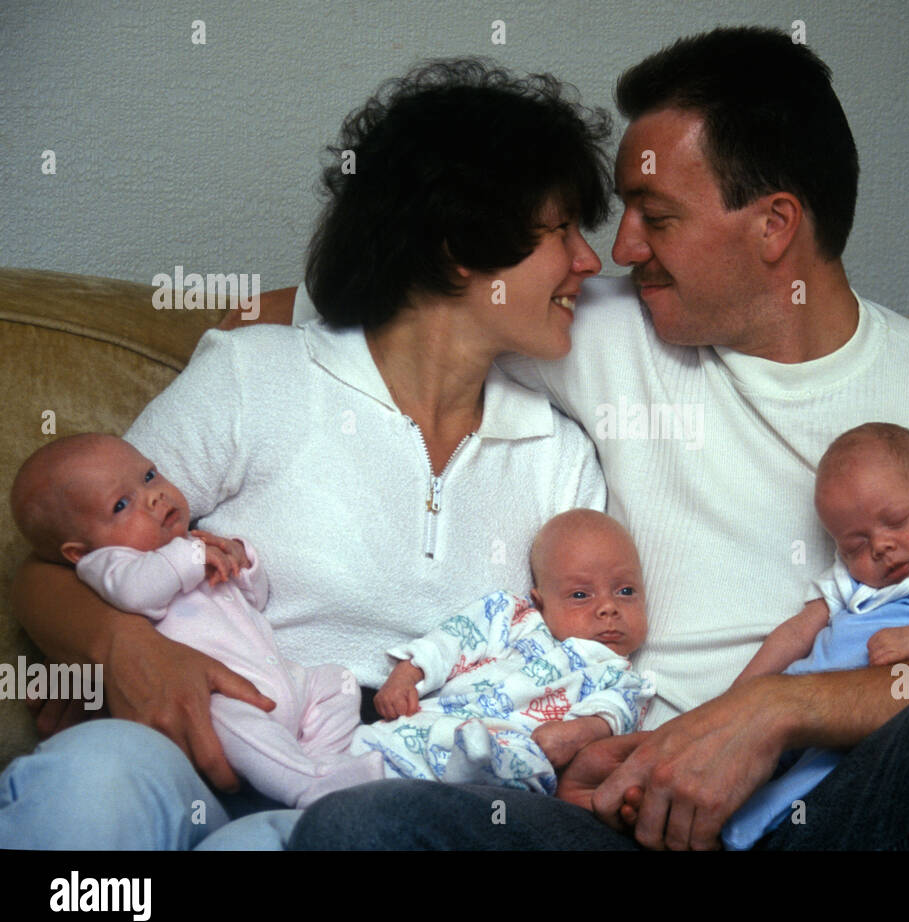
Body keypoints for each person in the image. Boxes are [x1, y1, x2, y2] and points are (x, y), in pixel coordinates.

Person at [290, 27, 909, 851]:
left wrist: (778, 711)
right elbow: (377, 307)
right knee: (359, 829)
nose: (619, 247)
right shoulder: (599, 326)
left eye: (657, 213)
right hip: (628, 814)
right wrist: (141, 638)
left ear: (774, 226)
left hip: (843, 812)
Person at [1, 59, 614, 849]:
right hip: (200, 737)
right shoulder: (258, 375)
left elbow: (583, 654)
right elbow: (53, 563)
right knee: (88, 788)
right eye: (562, 229)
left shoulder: (557, 456)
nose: (588, 262)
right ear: (463, 247)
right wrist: (123, 646)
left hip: (379, 790)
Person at [9, 433, 385, 809]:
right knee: (225, 718)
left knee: (339, 681)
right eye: (121, 504)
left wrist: (241, 560)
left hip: (283, 681)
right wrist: (192, 556)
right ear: (80, 551)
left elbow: (255, 600)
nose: (154, 496)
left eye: (149, 476)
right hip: (219, 696)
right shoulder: (109, 564)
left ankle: (319, 760)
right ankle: (307, 785)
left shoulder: (191, 544)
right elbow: (136, 590)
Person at [721, 422, 909, 849]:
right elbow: (795, 633)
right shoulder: (855, 582)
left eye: (897, 521)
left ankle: (739, 833)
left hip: (873, 716)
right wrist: (734, 700)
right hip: (792, 697)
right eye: (855, 545)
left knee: (814, 775)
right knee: (739, 758)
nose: (880, 547)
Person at [354, 509, 654, 791]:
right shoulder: (512, 617)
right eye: (580, 595)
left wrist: (578, 733)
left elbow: (614, 716)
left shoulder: (620, 677)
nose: (608, 607)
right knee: (363, 743)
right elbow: (450, 641)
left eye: (625, 591)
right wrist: (405, 676)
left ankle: (477, 771)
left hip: (513, 751)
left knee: (527, 764)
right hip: (431, 723)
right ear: (540, 602)